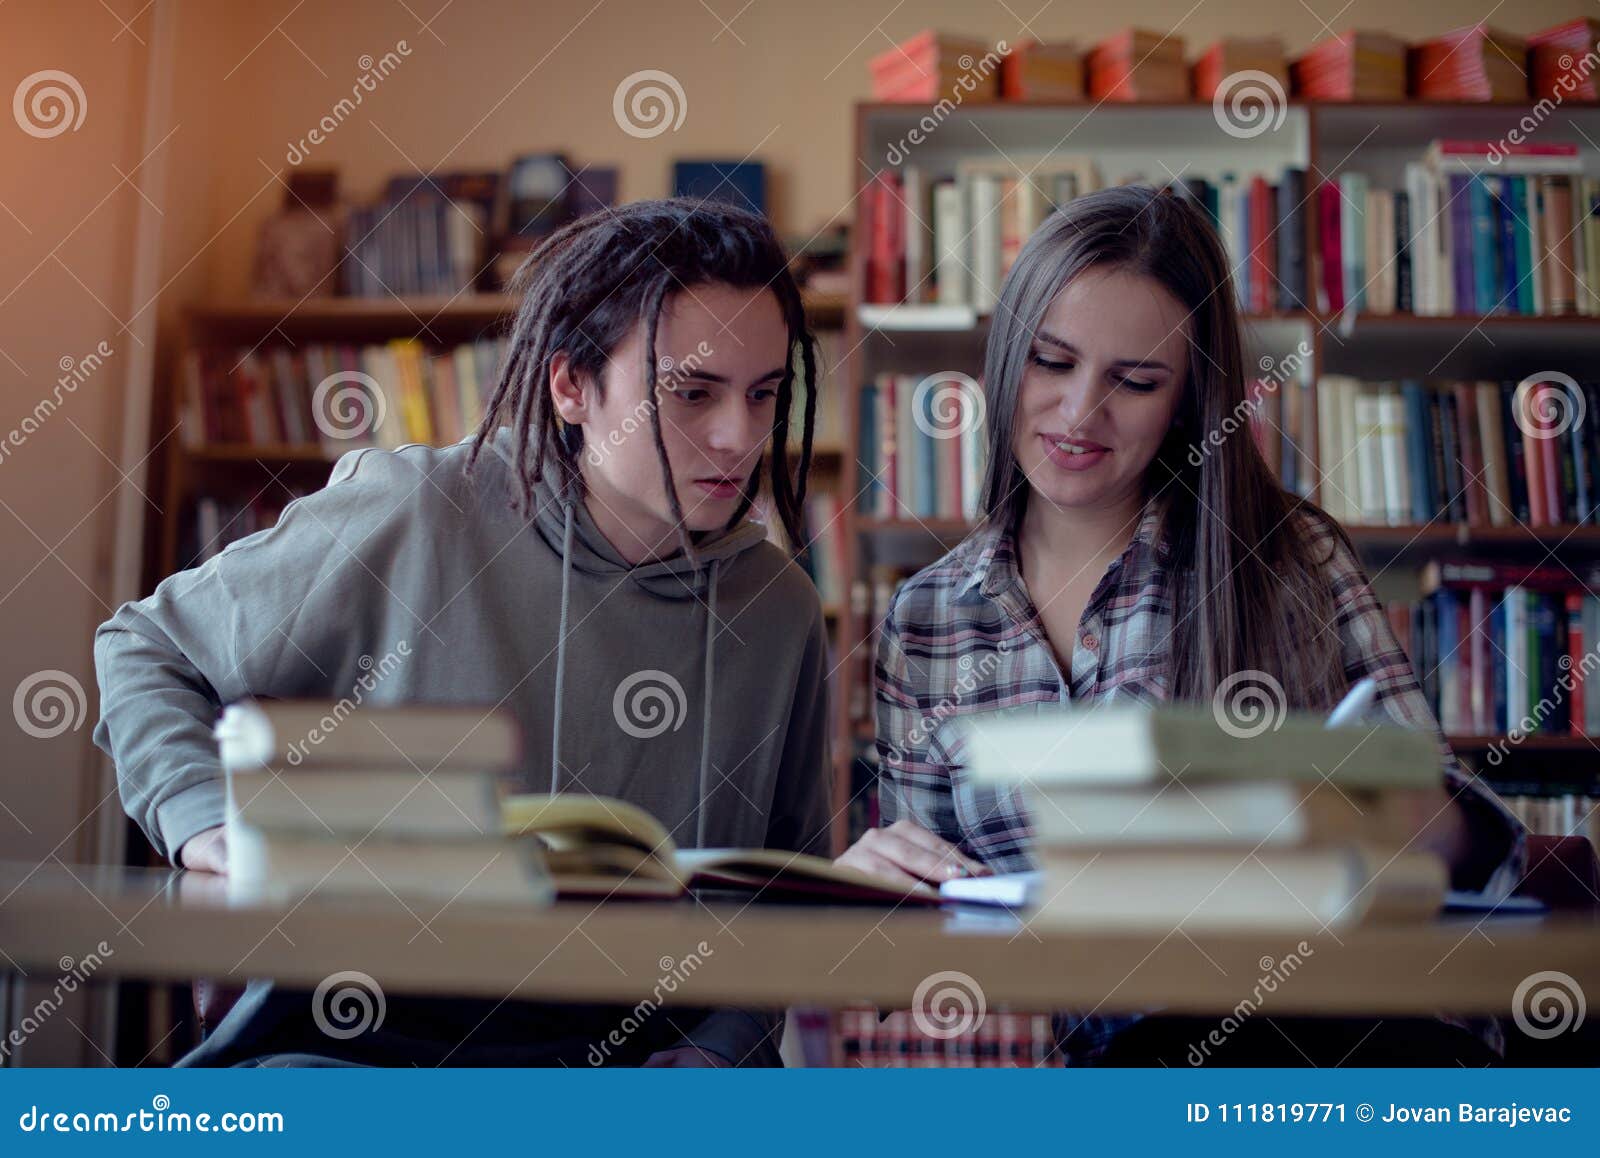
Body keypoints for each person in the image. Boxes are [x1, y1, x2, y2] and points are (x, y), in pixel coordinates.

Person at [93, 197, 833, 1067]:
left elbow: (778, 908)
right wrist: (202, 822)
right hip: (363, 1052)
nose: (738, 436)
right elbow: (146, 647)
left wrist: (712, 1059)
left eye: (765, 395)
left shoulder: (779, 610)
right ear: (571, 386)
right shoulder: (418, 513)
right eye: (692, 392)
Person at [835, 184, 1525, 1066]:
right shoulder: (924, 619)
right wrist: (870, 905)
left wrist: (1413, 818)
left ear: (1190, 401)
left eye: (1135, 380)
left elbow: (1472, 856)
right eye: (1051, 362)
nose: (1081, 414)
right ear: (1005, 360)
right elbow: (922, 965)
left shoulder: (1287, 559)